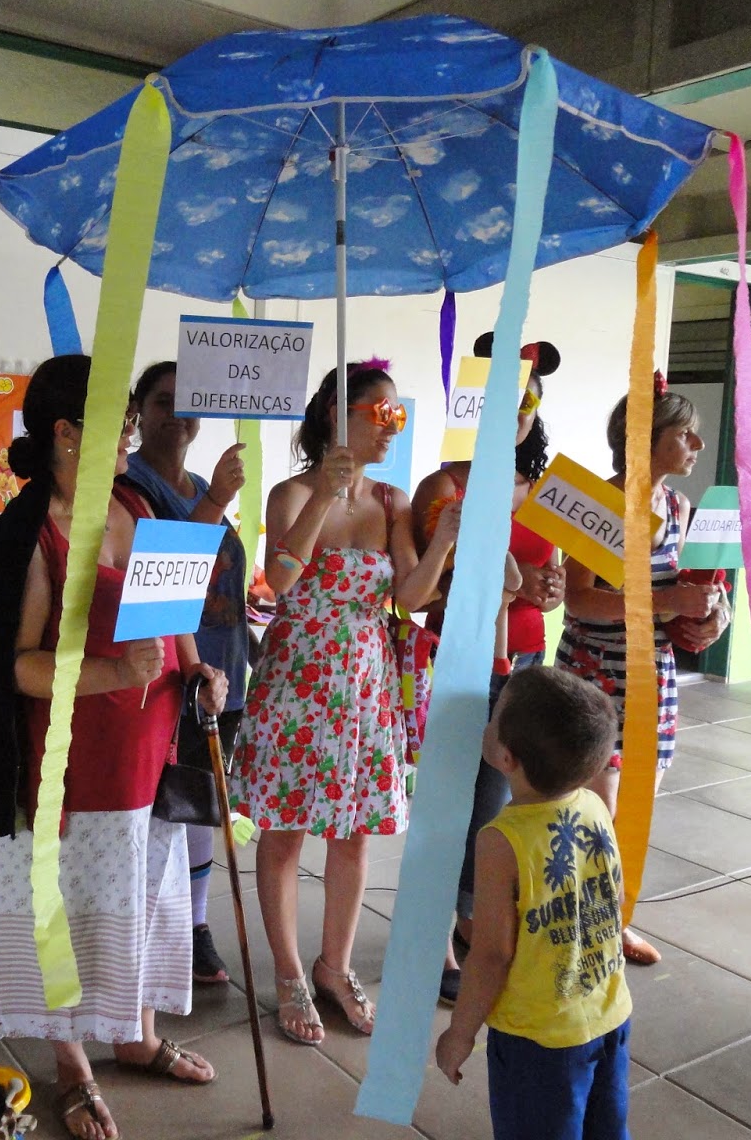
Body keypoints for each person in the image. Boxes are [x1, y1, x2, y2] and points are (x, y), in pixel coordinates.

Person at [0, 354, 229, 1140]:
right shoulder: (25, 535)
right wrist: (110, 670)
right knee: (65, 915)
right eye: (121, 419)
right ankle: (72, 1063)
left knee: (135, 900)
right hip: (65, 765)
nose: (135, 432)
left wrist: (197, 667)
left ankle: (135, 1035)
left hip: (147, 755)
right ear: (68, 432)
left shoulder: (137, 506)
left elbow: (171, 614)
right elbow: (16, 665)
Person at [230, 361, 451, 1047]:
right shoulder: (290, 494)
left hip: (367, 682)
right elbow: (284, 583)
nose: (392, 428)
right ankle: (290, 974)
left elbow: (408, 599)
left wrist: (443, 539)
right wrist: (324, 496)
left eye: (398, 416)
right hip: (298, 680)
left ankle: (336, 964)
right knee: (287, 832)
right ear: (339, 415)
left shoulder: (391, 503)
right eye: (380, 414)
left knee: (354, 831)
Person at [413, 336, 568, 1003]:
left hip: (528, 659)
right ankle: (435, 934)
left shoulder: (544, 487)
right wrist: (500, 582)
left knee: (499, 800)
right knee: (454, 802)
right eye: (505, 396)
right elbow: (426, 588)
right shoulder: (445, 487)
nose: (518, 411)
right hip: (464, 659)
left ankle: (475, 919)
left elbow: (557, 577)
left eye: (529, 399)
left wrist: (548, 587)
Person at [554, 373, 727, 966]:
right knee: (594, 807)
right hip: (595, 677)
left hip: (654, 678)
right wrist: (666, 603)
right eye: (686, 434)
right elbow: (579, 600)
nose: (697, 447)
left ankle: (613, 919)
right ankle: (577, 927)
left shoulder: (680, 506)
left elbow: (698, 591)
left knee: (635, 811)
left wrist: (711, 615)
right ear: (645, 440)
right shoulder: (596, 503)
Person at [435, 666, 632, 1140]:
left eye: (495, 713)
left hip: (538, 1039)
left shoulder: (501, 841)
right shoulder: (593, 805)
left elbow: (490, 954)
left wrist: (460, 1034)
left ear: (506, 756)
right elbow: (613, 897)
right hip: (610, 1013)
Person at [122, 360, 249, 986]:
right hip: (165, 666)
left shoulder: (200, 480)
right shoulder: (133, 485)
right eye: (162, 400)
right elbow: (162, 568)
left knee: (200, 802)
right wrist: (217, 502)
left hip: (220, 661)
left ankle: (193, 925)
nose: (176, 413)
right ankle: (152, 924)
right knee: (160, 805)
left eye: (187, 400)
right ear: (138, 411)